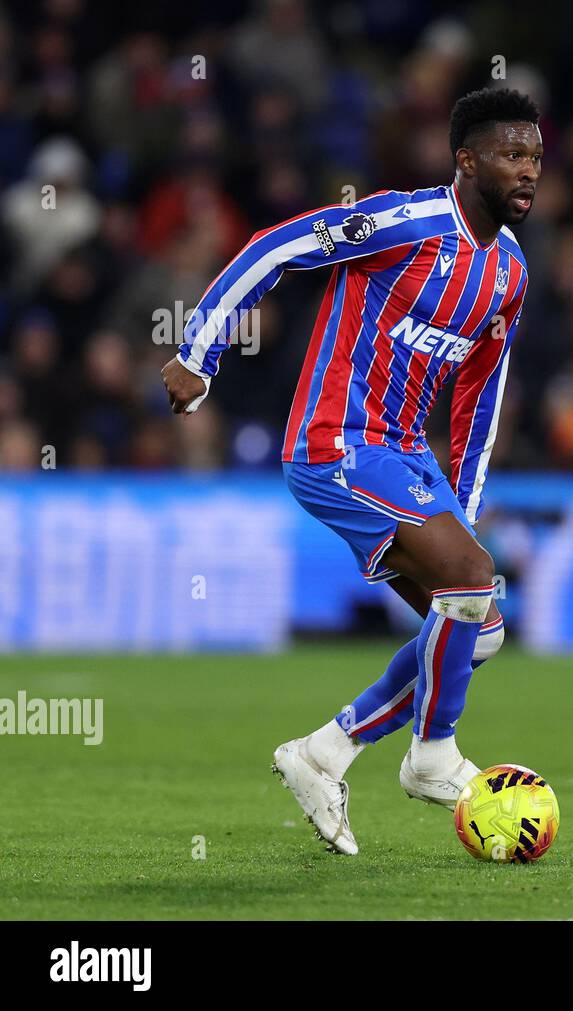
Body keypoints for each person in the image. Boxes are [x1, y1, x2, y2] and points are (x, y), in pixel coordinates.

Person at [160, 88, 542, 855]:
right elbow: (277, 245)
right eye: (510, 154)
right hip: (335, 441)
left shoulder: (509, 272)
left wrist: (461, 512)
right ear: (466, 161)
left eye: (535, 156)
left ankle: (323, 753)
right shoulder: (404, 222)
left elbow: (481, 394)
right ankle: (431, 756)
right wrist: (199, 351)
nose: (528, 170)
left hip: (403, 455)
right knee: (470, 581)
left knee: (481, 628)